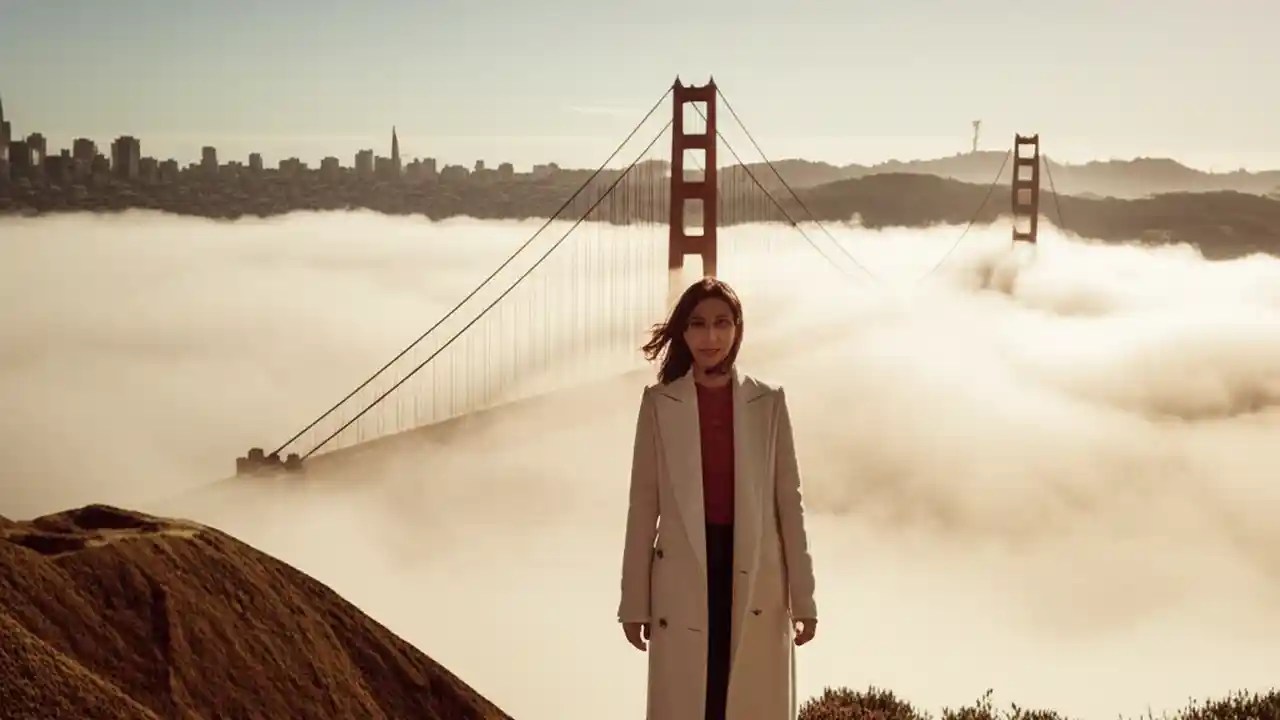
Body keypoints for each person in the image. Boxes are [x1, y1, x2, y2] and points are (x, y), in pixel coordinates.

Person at [617, 277, 818, 720]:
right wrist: (634, 601)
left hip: (756, 571)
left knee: (745, 698)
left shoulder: (768, 401)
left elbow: (790, 502)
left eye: (722, 324)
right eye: (698, 324)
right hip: (685, 572)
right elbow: (642, 506)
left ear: (737, 329)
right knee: (696, 700)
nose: (711, 337)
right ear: (684, 333)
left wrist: (804, 596)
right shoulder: (658, 403)